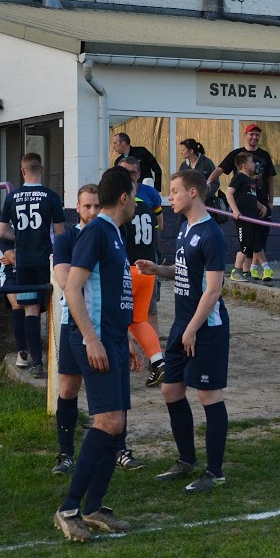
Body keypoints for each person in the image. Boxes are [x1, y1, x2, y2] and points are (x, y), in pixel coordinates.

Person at [53, 166, 139, 540]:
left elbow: (112, 295)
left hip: (114, 338)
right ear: (123, 197)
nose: (135, 201)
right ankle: (69, 509)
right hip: (94, 339)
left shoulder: (116, 234)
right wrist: (91, 339)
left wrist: (128, 339)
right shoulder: (96, 232)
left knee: (116, 424)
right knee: (106, 422)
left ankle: (93, 507)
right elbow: (72, 289)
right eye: (134, 194)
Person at [144, 170, 231, 493]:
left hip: (205, 326)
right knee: (170, 390)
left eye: (175, 191)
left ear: (193, 193)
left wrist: (193, 329)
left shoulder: (212, 235)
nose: (170, 197)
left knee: (208, 395)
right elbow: (182, 271)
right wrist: (158, 270)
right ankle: (186, 460)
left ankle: (214, 471)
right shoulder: (184, 229)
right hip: (183, 324)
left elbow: (213, 291)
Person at [0, 153, 67, 376]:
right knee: (55, 305)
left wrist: (21, 238)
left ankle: (37, 362)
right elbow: (60, 234)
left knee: (30, 309)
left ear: (22, 170)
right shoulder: (52, 197)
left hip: (24, 259)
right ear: (42, 169)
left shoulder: (12, 197)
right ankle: (60, 358)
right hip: (45, 258)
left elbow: (2, 232)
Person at [51, 183, 99, 477]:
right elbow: (67, 282)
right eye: (87, 207)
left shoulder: (111, 235)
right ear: (77, 209)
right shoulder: (66, 239)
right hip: (73, 322)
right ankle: (66, 453)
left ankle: (118, 449)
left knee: (107, 388)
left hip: (104, 321)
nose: (92, 212)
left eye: (96, 206)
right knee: (68, 388)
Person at [119, 156, 166, 393]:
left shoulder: (122, 207)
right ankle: (157, 361)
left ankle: (124, 364)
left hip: (129, 269)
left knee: (120, 320)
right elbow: (158, 230)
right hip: (147, 268)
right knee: (141, 319)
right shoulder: (147, 205)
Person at [210, 124, 277, 281]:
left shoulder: (264, 157)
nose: (254, 137)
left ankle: (250, 270)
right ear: (245, 135)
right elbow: (221, 172)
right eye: (251, 134)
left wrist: (268, 203)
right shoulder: (237, 160)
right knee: (247, 241)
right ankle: (242, 270)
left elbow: (270, 179)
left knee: (257, 238)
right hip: (243, 210)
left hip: (258, 204)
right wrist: (207, 182)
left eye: (257, 135)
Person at [226, 151, 270, 282]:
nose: (254, 164)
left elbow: (251, 197)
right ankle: (236, 271)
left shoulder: (250, 180)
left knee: (253, 243)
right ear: (244, 165)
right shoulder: (238, 178)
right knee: (244, 245)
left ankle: (255, 269)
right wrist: (235, 210)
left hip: (252, 217)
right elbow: (229, 193)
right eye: (251, 162)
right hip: (242, 218)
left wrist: (261, 206)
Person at [177, 139, 221, 208]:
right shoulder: (183, 166)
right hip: (188, 206)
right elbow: (179, 184)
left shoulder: (207, 163)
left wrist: (204, 197)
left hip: (205, 206)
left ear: (191, 151)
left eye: (183, 150)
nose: (181, 152)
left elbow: (215, 183)